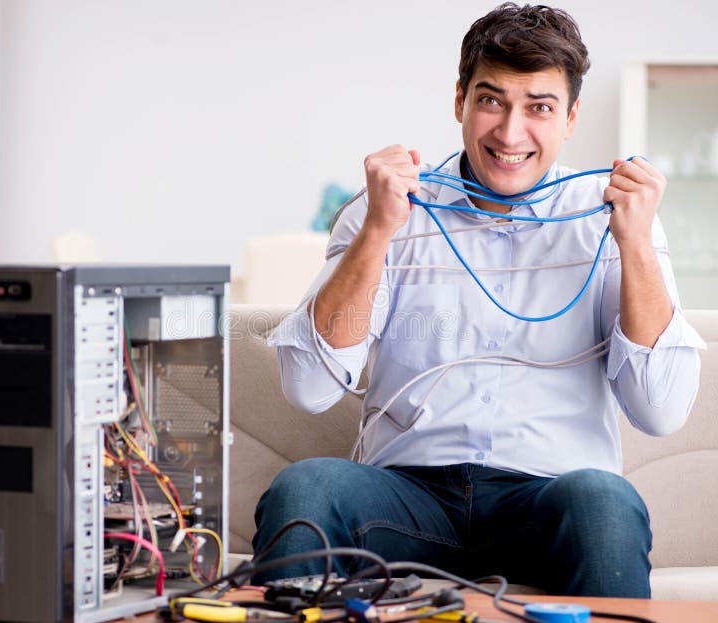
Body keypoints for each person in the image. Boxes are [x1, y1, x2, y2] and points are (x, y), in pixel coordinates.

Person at [252, 2, 706, 597]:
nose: (511, 133)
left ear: (570, 118)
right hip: (407, 499)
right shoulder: (384, 210)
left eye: (539, 108)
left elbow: (660, 411)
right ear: (460, 100)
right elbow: (309, 389)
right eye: (492, 101)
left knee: (602, 499)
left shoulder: (615, 221)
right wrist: (378, 232)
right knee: (306, 489)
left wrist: (636, 246)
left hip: (547, 499)